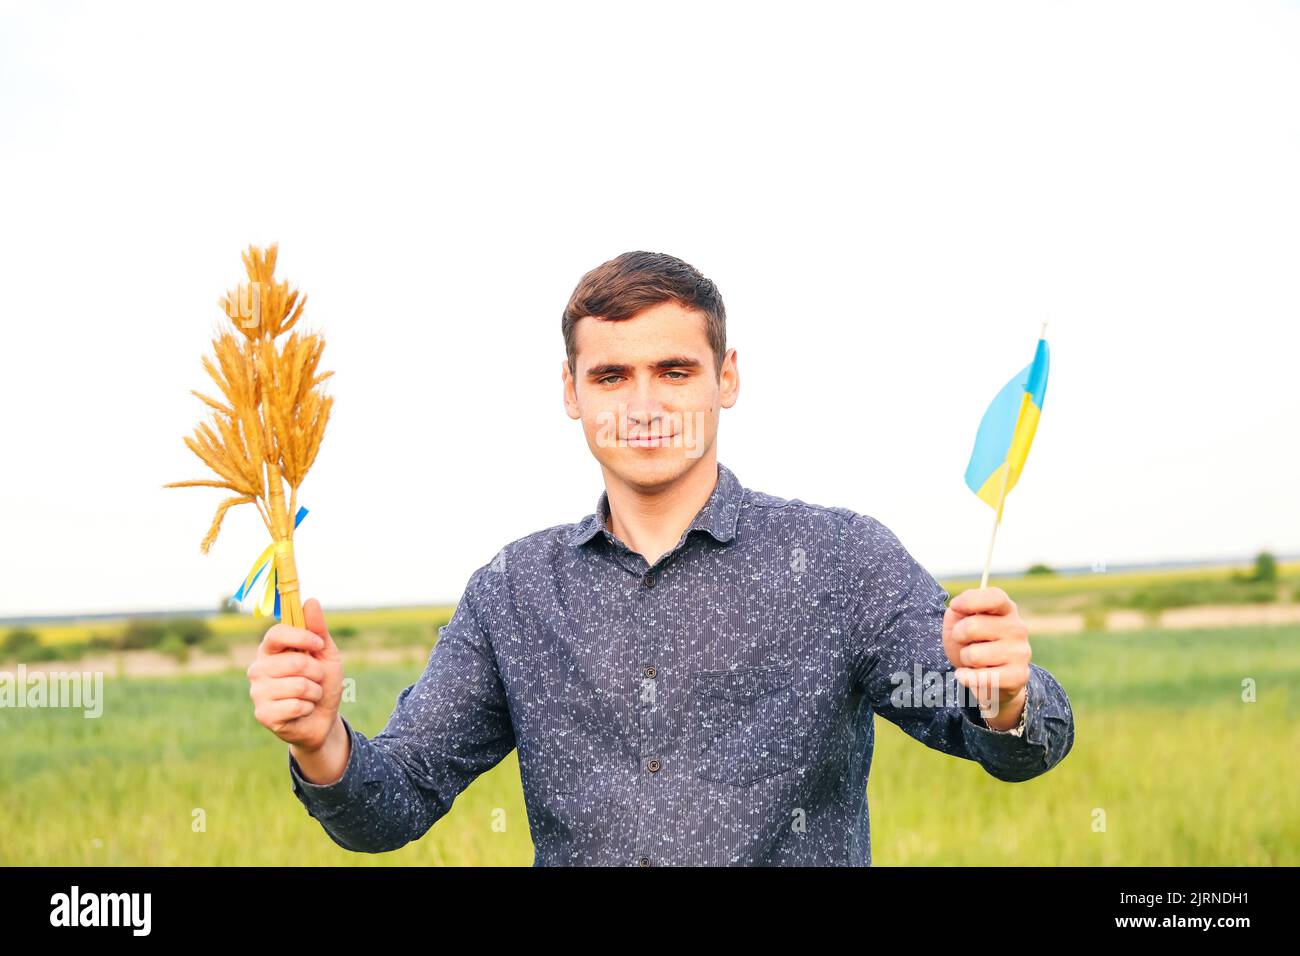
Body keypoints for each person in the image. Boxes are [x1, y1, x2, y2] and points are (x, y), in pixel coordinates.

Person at [246, 250, 1075, 866]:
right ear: (570, 391)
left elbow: (1019, 745)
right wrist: (322, 743)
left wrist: (1003, 699)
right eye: (610, 376)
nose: (644, 405)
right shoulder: (514, 592)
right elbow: (395, 803)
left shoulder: (839, 562)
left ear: (727, 378)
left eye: (674, 370)